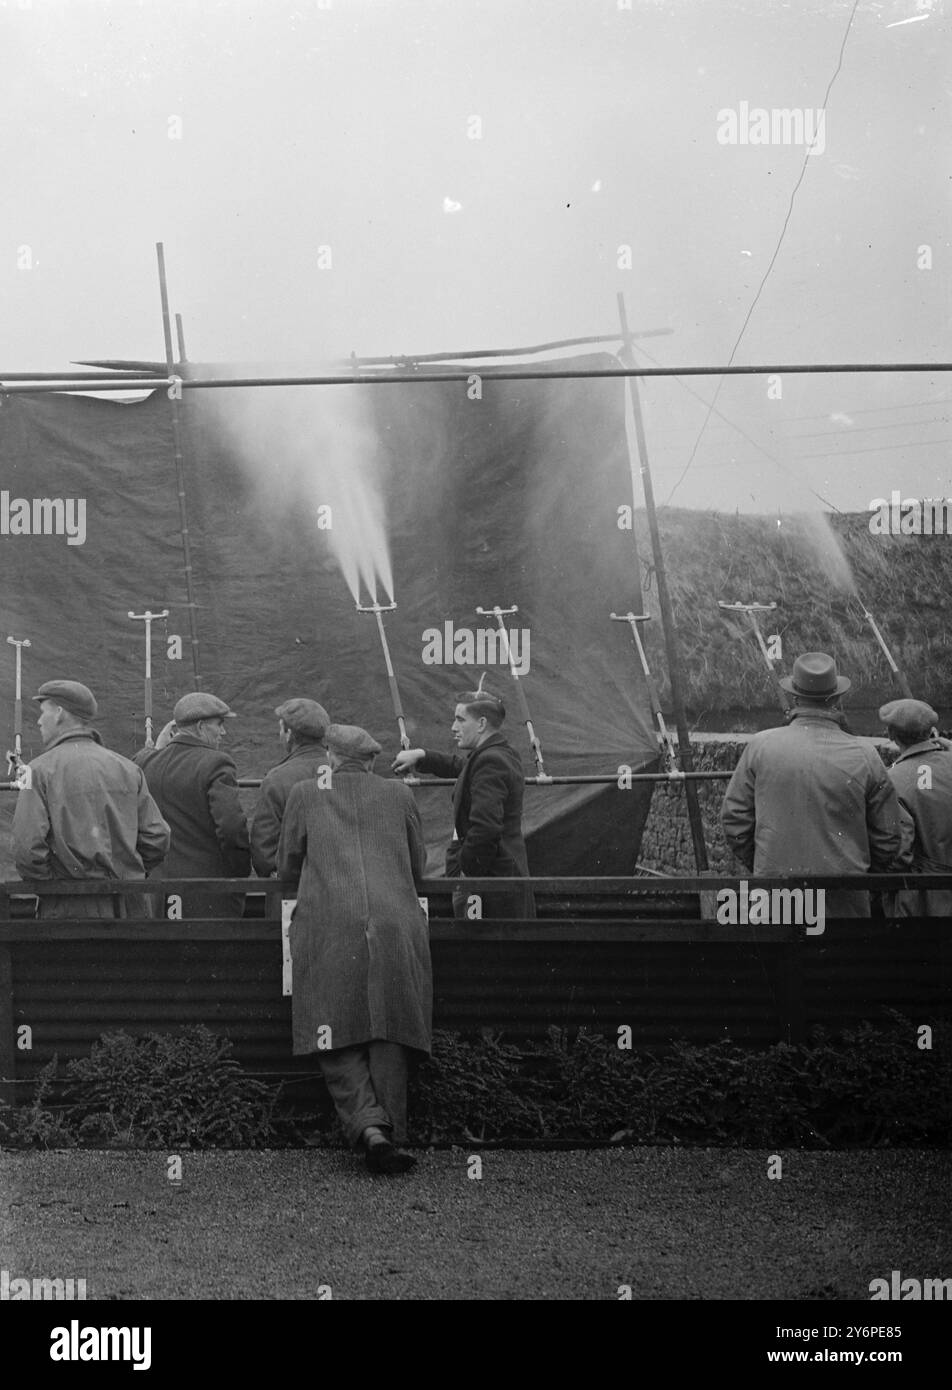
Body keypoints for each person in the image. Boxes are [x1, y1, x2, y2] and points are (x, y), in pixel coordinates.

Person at [277, 723, 431, 1175]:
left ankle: (371, 1131)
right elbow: (418, 863)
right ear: (370, 760)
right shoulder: (400, 795)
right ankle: (391, 1133)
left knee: (331, 1025)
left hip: (330, 924)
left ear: (330, 755)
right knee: (389, 1025)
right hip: (396, 923)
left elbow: (286, 862)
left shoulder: (306, 793)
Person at [720, 652, 908, 918]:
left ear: (795, 697)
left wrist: (767, 866)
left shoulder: (760, 746)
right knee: (838, 958)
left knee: (779, 958)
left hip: (775, 898)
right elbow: (888, 837)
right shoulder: (865, 754)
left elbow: (735, 820)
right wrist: (860, 875)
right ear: (836, 699)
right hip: (845, 900)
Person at [12, 680, 170, 918]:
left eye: (42, 711)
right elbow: (157, 836)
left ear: (59, 714)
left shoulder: (36, 771)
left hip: (68, 908)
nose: (38, 721)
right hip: (131, 907)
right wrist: (127, 872)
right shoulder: (128, 768)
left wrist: (57, 886)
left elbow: (27, 849)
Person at [391, 684, 534, 920]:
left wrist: (466, 872)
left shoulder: (490, 761)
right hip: (500, 880)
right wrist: (423, 756)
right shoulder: (498, 754)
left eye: (460, 720)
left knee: (481, 952)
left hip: (487, 886)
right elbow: (464, 769)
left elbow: (486, 829)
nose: (453, 727)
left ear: (481, 724)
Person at [139, 691, 250, 918]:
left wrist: (157, 751)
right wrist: (239, 873)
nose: (223, 731)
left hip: (155, 895)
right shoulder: (216, 763)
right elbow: (230, 828)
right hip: (208, 895)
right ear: (200, 727)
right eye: (219, 724)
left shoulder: (143, 761)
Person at [879, 697, 952, 917]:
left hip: (923, 901)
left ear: (891, 735)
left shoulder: (892, 778)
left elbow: (898, 853)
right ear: (932, 731)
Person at [250, 698, 330, 877]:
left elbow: (264, 852)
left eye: (280, 728)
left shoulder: (277, 779)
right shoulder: (345, 772)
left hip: (293, 891)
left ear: (288, 734)